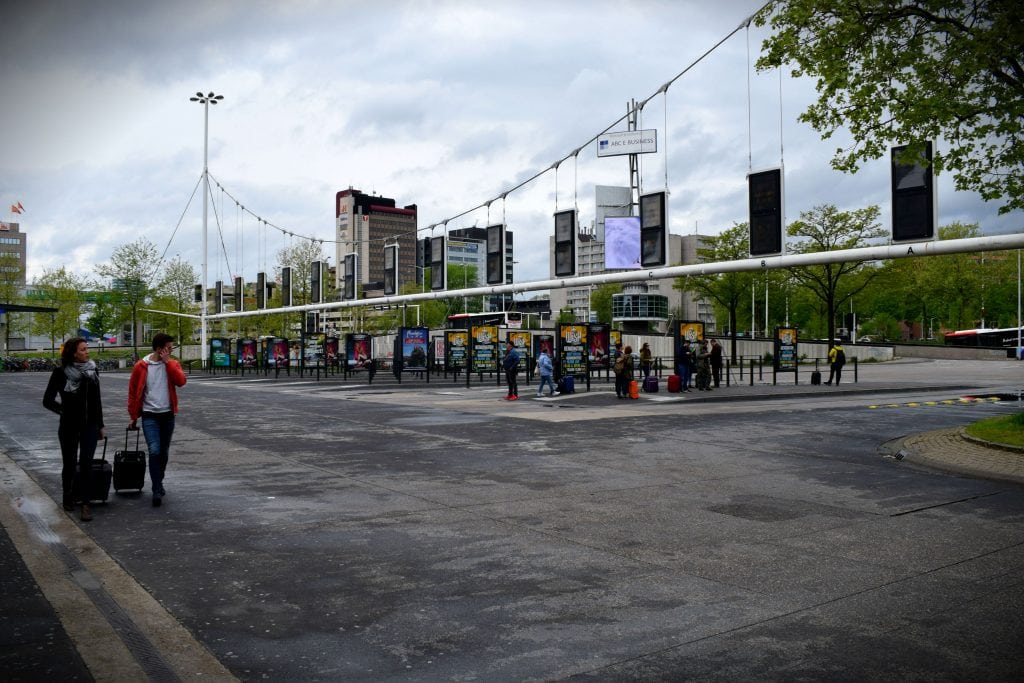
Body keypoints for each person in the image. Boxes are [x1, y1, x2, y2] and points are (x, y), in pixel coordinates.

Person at [43, 338, 106, 522]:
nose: (87, 352)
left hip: (90, 425)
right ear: (73, 353)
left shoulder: (92, 371)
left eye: (87, 349)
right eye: (83, 349)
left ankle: (86, 504)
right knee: (69, 464)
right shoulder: (60, 372)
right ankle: (67, 495)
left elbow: (96, 400)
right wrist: (65, 411)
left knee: (87, 464)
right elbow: (47, 400)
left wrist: (100, 425)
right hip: (69, 426)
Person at [128, 333, 187, 507]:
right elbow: (133, 392)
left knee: (164, 451)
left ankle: (158, 480)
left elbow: (181, 381)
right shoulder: (141, 366)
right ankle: (156, 488)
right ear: (159, 348)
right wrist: (133, 416)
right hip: (149, 415)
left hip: (167, 414)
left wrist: (168, 362)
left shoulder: (172, 364)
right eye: (168, 347)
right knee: (154, 450)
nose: (171, 350)